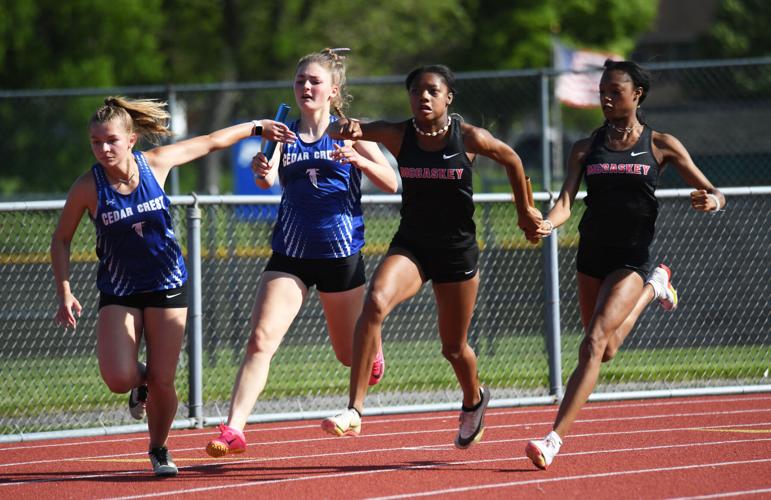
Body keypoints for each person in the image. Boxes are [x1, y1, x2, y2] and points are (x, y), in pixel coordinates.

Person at [51, 96, 295, 476]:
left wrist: (257, 127)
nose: (103, 149)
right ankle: (138, 378)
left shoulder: (156, 164)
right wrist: (64, 290)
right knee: (118, 377)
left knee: (164, 380)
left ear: (131, 139)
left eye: (111, 140)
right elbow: (61, 239)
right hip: (120, 289)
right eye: (96, 142)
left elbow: (212, 141)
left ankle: (159, 449)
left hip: (167, 283)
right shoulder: (88, 187)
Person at [320, 64, 542, 448]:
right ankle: (354, 411)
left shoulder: (469, 137)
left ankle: (474, 399)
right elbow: (343, 129)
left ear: (448, 98)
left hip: (456, 251)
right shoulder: (398, 133)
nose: (423, 97)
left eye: (432, 91)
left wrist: (524, 211)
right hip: (413, 245)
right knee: (374, 302)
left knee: (453, 347)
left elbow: (512, 160)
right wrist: (337, 113)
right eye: (416, 91)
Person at [524, 60, 726, 470]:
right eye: (602, 90)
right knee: (607, 350)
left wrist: (713, 201)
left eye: (615, 91)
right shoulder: (585, 147)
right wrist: (547, 222)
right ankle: (656, 286)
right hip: (591, 255)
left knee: (594, 342)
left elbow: (712, 189)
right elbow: (565, 202)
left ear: (637, 95)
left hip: (630, 257)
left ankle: (553, 438)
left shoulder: (661, 144)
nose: (606, 98)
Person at [205, 48, 398, 458]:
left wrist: (359, 161)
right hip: (290, 253)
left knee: (349, 356)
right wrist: (262, 171)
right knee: (260, 340)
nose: (306, 87)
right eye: (300, 81)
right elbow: (266, 179)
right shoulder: (283, 133)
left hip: (340, 254)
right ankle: (233, 429)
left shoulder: (350, 131)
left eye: (314, 81)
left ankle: (371, 347)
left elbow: (390, 183)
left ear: (333, 90)